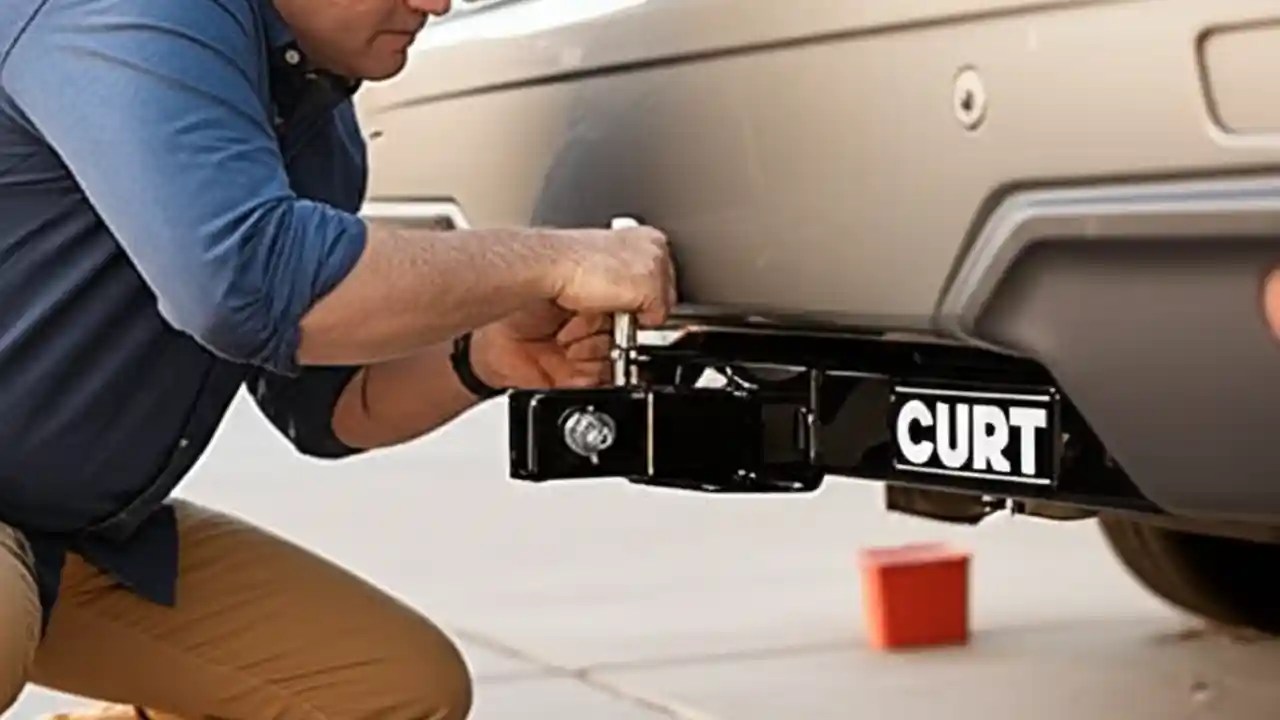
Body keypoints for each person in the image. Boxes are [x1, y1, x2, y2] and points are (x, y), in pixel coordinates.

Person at [0, 0, 676, 716]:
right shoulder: (127, 14)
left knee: (386, 691)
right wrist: (555, 260)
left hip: (66, 536)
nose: (436, 2)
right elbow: (250, 283)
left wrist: (482, 358)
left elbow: (324, 404)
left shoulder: (311, 117)